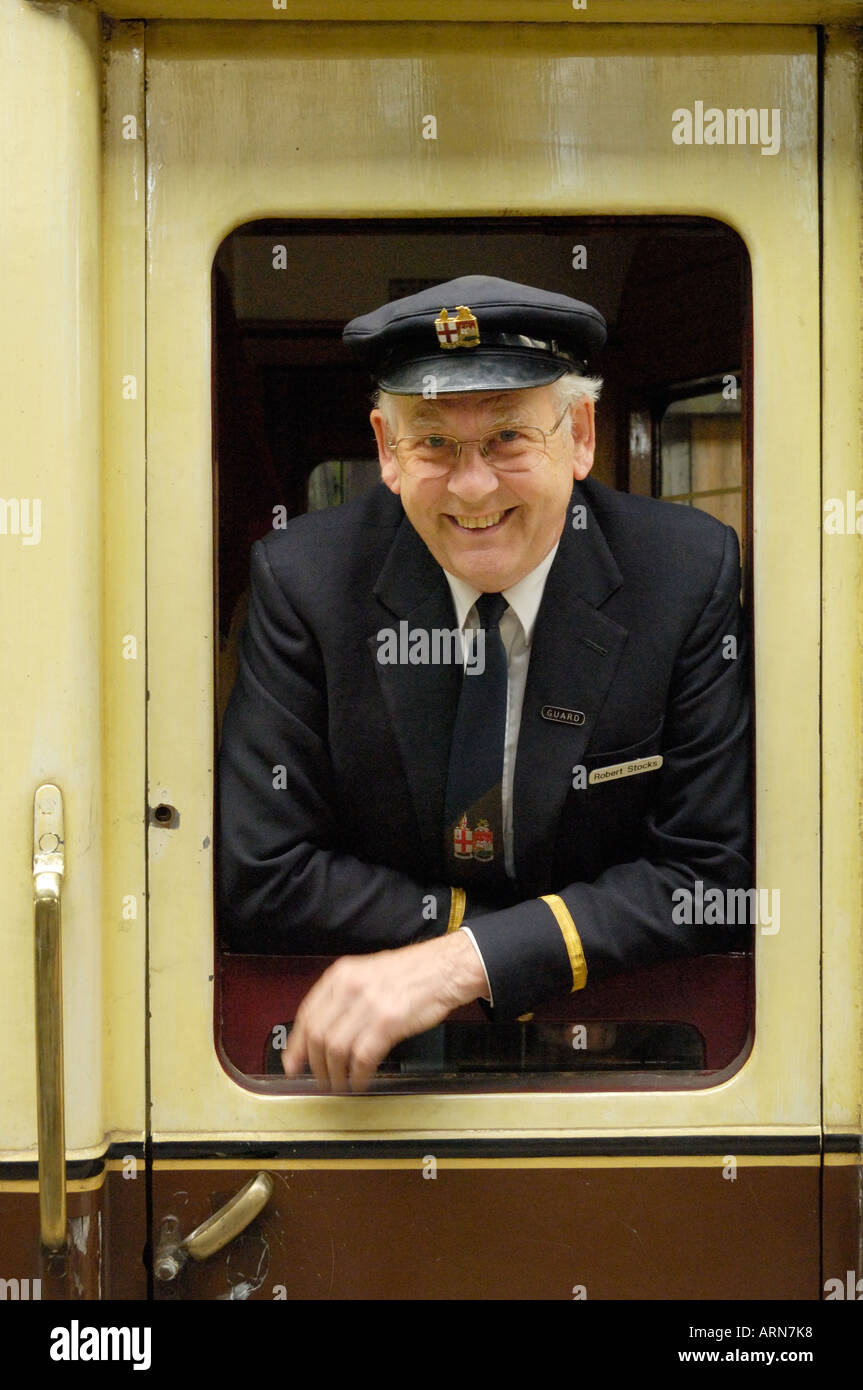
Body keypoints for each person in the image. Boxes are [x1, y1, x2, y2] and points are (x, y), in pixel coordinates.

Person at [218, 275, 751, 1092]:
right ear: (385, 450)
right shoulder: (304, 582)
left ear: (579, 436)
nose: (472, 487)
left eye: (507, 438)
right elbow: (261, 872)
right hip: (364, 1077)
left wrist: (467, 961)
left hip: (638, 1059)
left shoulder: (683, 572)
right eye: (433, 444)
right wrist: (483, 943)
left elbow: (710, 875)